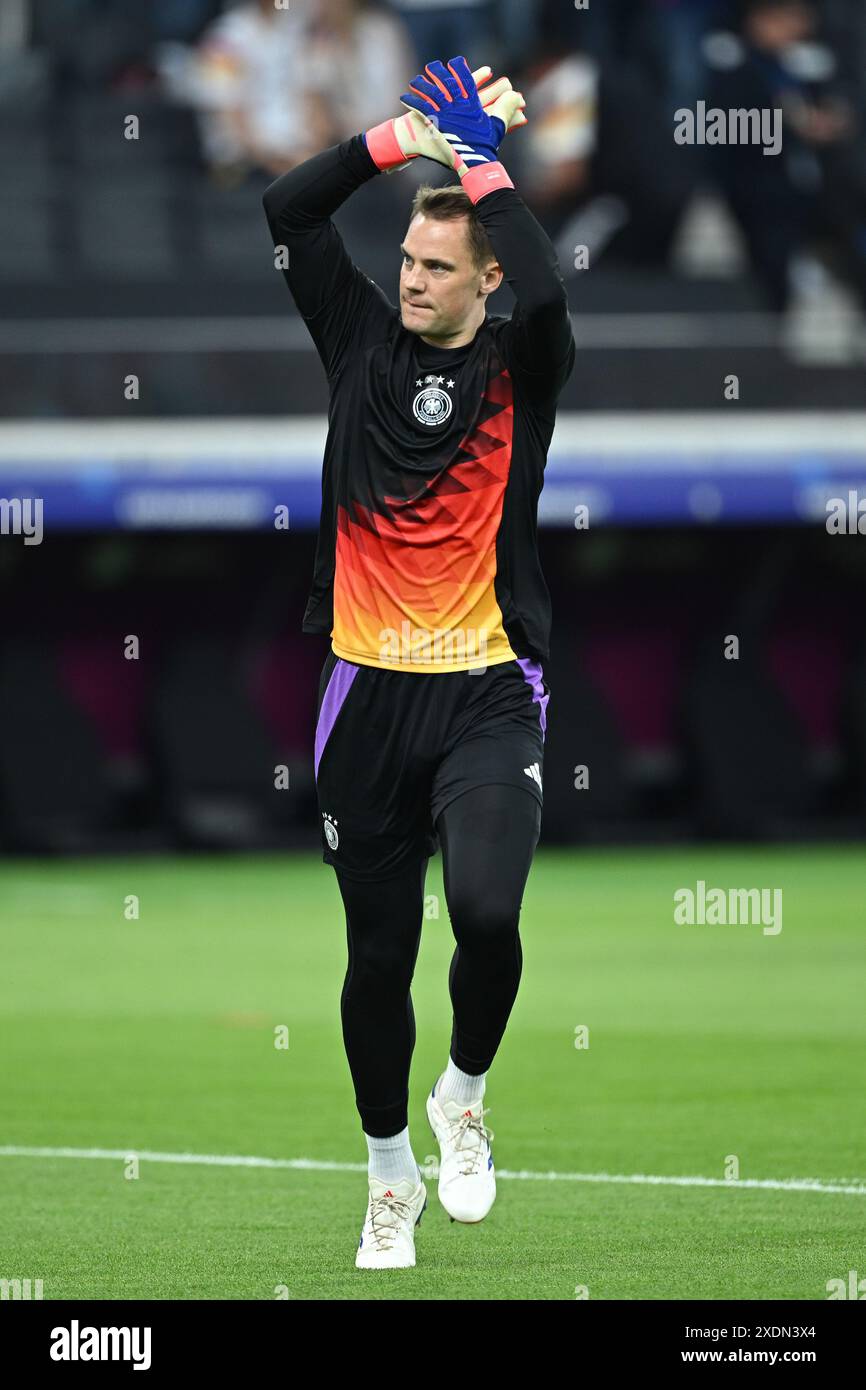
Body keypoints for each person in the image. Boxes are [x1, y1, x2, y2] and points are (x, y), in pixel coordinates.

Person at [262, 57, 574, 1269]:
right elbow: (288, 208)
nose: (410, 277)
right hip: (364, 696)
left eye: (438, 266)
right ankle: (388, 1172)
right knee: (378, 956)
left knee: (488, 913)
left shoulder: (518, 368)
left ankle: (465, 1096)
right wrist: (399, 141)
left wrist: (482, 166)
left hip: (488, 683)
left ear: (482, 279)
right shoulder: (353, 338)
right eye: (405, 259)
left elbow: (546, 288)